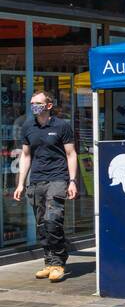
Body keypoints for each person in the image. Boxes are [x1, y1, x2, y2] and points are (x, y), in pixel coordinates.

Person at [13, 91, 79, 282]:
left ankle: (58, 262)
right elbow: (25, 156)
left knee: (53, 220)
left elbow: (71, 154)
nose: (34, 106)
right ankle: (49, 262)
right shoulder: (28, 127)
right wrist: (20, 184)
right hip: (36, 181)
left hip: (57, 179)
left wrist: (72, 181)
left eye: (38, 103)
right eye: (32, 103)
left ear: (48, 106)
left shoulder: (61, 126)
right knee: (42, 225)